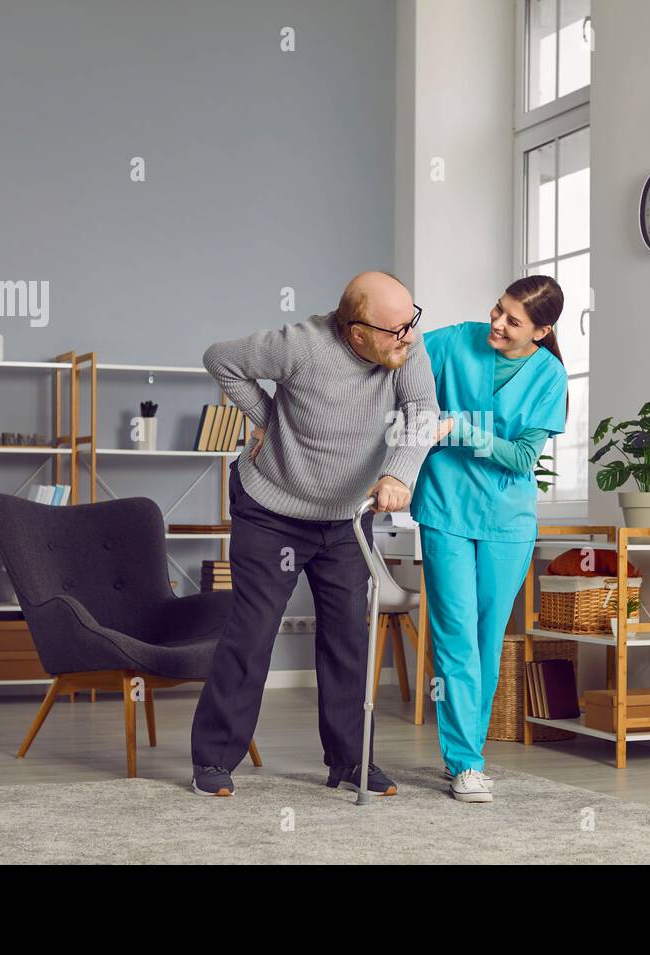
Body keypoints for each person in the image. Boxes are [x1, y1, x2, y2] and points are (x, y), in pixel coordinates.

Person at [190, 271, 440, 798]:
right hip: (273, 511)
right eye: (396, 330)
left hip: (347, 518)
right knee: (253, 632)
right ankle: (213, 761)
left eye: (411, 322)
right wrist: (266, 417)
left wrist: (399, 474)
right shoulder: (301, 347)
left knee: (348, 637)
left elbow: (422, 413)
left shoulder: (405, 347)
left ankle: (350, 762)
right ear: (356, 333)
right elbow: (220, 358)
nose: (409, 337)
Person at [410, 275, 569, 803]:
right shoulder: (454, 340)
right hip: (446, 508)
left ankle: (466, 752)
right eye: (498, 310)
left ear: (541, 332)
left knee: (486, 638)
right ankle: (466, 762)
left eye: (514, 321)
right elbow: (398, 363)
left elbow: (524, 458)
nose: (497, 324)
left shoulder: (549, 376)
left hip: (507, 521)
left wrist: (457, 428)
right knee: (454, 632)